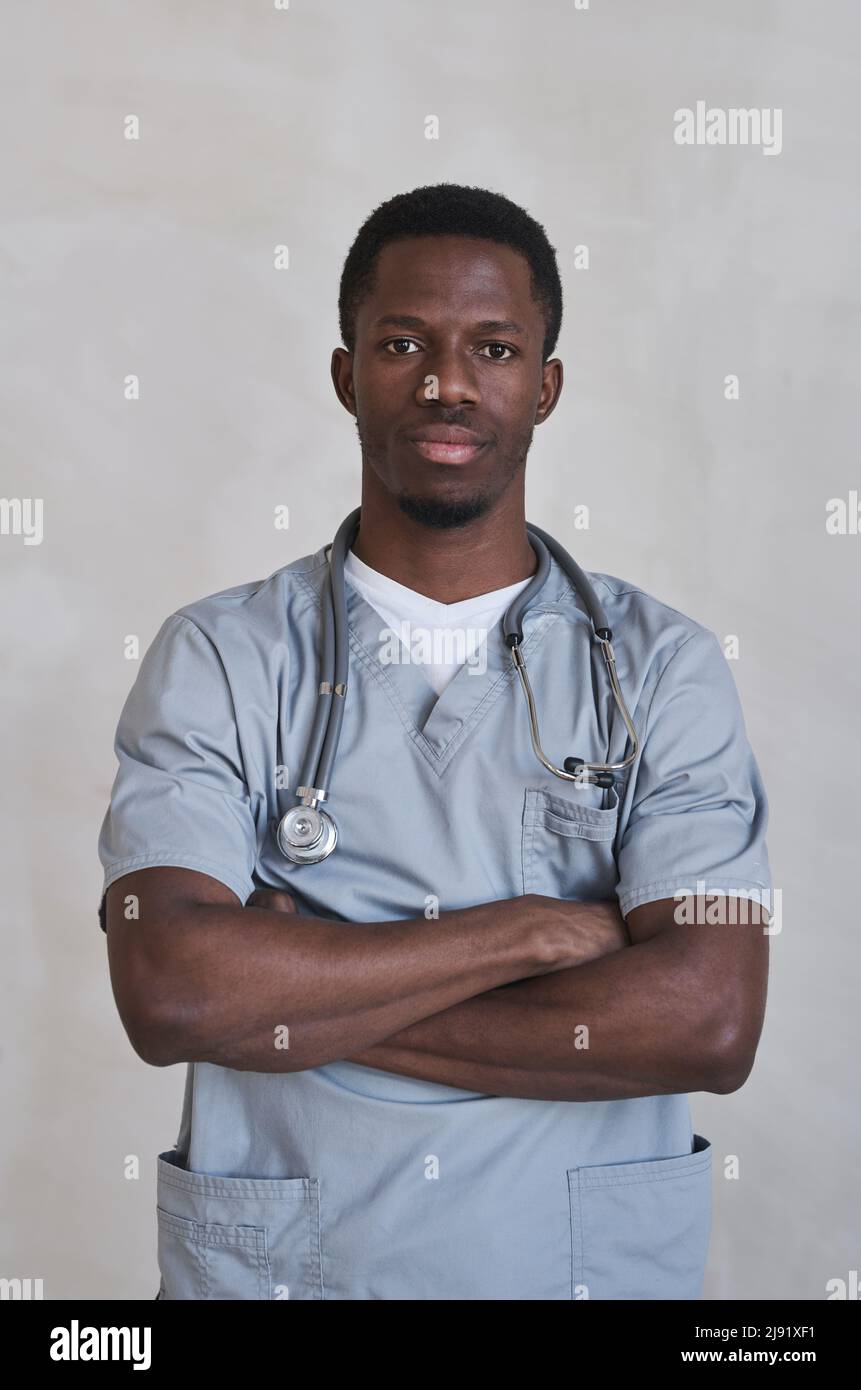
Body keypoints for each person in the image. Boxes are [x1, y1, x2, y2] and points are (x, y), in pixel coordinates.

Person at [98, 183, 772, 1301]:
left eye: (493, 347)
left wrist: (298, 999)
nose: (444, 382)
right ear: (344, 373)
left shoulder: (661, 666)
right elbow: (172, 991)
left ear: (544, 387)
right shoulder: (220, 654)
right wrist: (526, 933)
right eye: (402, 341)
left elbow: (705, 1020)